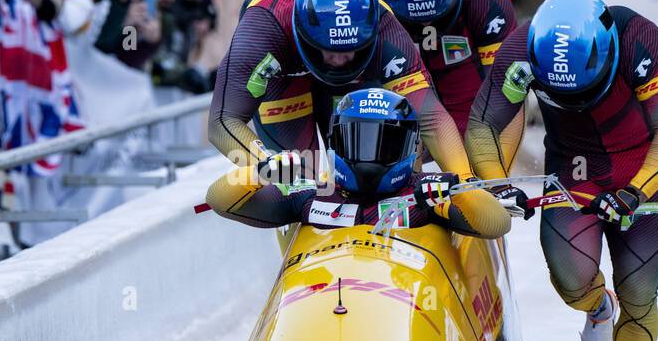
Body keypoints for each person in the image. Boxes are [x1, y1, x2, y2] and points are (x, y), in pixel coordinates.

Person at [466, 0, 658, 341]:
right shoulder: (520, 52)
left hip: (638, 173)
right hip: (572, 171)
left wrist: (636, 190)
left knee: (640, 291)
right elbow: (483, 126)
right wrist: (497, 183)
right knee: (571, 278)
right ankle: (596, 309)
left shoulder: (639, 40)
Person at [208, 0, 474, 184]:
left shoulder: (383, 25)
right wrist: (265, 163)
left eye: (351, 50)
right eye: (329, 50)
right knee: (299, 179)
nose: (339, 61)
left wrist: (465, 179)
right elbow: (222, 122)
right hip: (282, 78)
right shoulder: (263, 31)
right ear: (304, 36)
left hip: (352, 77)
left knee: (369, 159)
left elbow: (430, 117)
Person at [207, 88, 511, 240]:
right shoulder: (314, 195)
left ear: (410, 147)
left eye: (384, 143)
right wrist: (259, 172)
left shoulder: (429, 195)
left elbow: (497, 223)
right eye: (358, 141)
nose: (369, 156)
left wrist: (460, 192)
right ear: (336, 142)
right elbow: (219, 200)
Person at [376, 0, 515, 135]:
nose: (425, 26)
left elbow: (504, 88)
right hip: (401, 105)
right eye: (416, 19)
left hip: (466, 102)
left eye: (433, 16)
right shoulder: (370, 3)